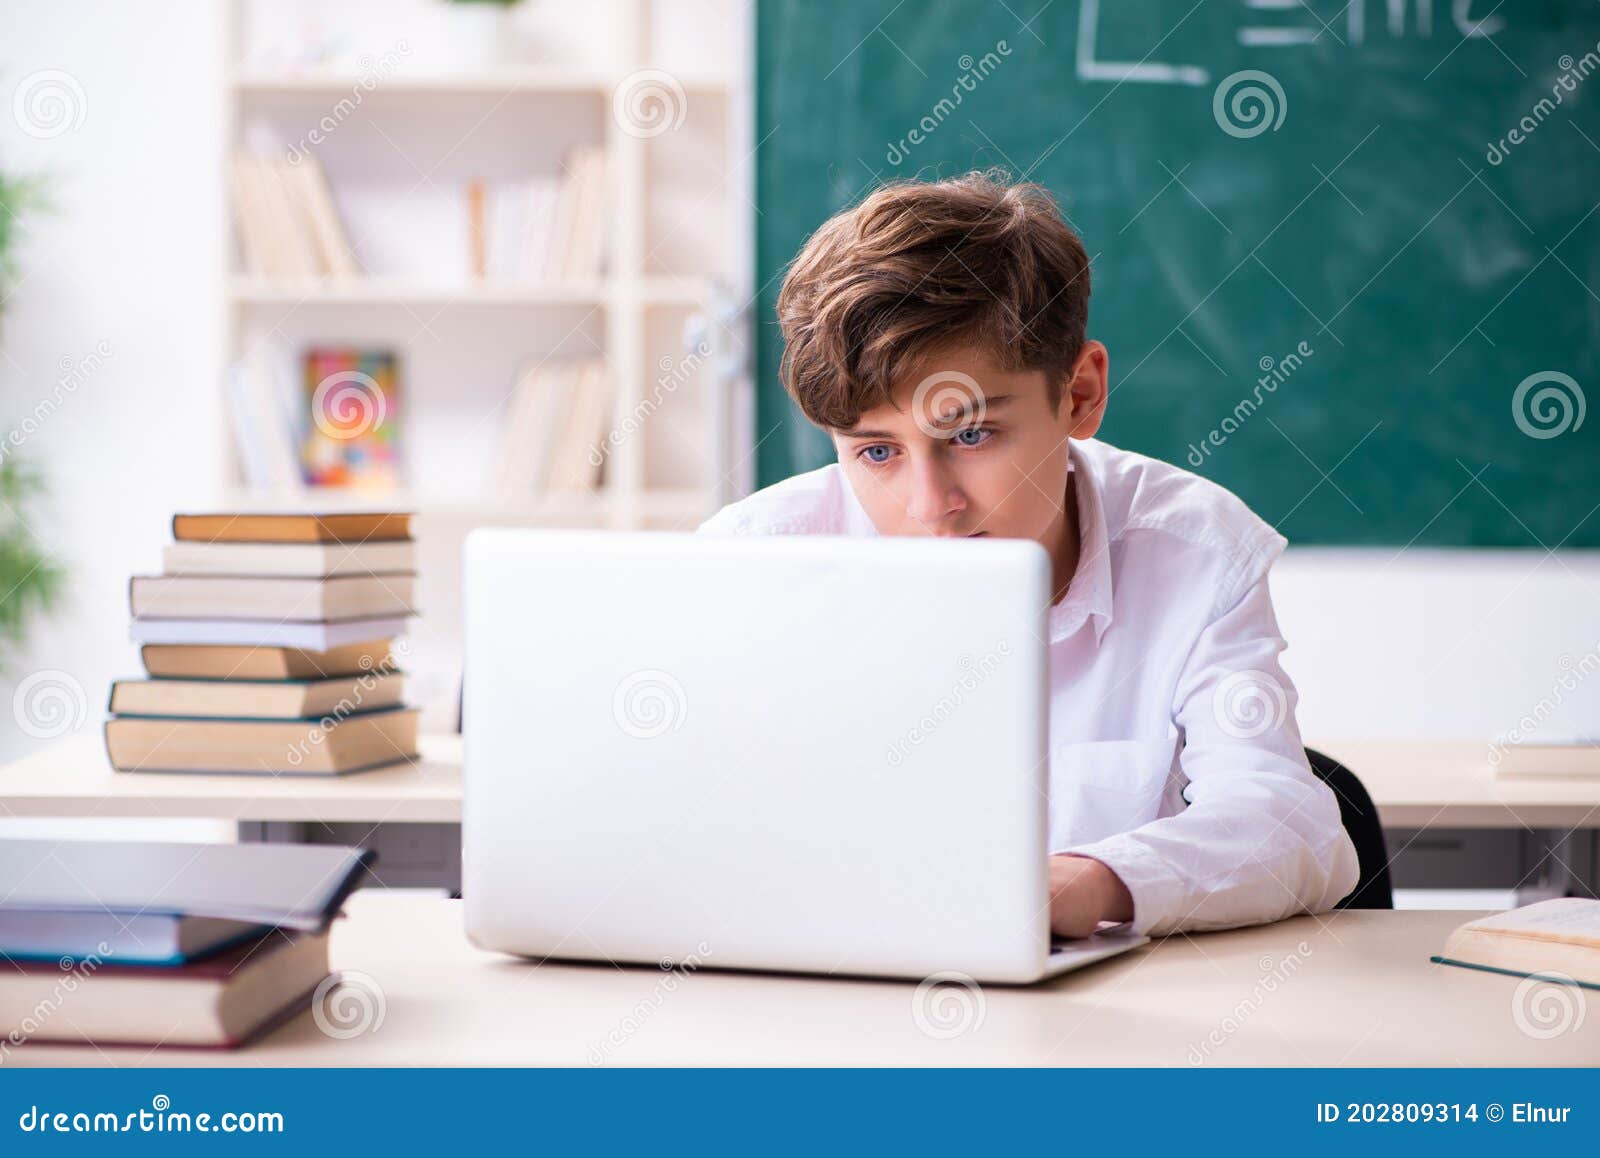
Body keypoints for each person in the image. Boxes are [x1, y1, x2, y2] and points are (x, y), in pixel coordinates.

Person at [699, 171, 1359, 939]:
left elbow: (1292, 826)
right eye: (876, 452)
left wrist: (1097, 881)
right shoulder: (755, 564)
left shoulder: (1194, 552)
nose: (929, 503)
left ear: (1079, 394)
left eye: (971, 436)